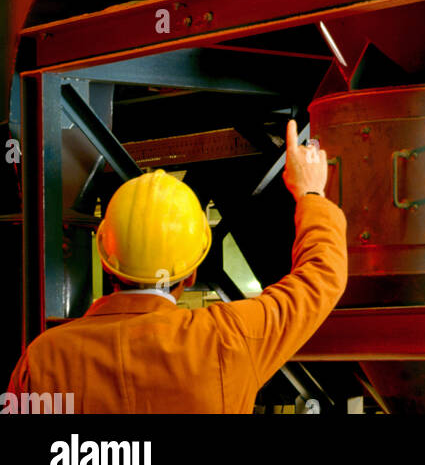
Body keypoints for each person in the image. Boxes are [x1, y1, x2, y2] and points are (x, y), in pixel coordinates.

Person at [5, 120, 346, 413]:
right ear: (192, 272)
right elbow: (321, 276)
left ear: (106, 261)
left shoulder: (44, 358)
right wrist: (310, 193)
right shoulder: (227, 339)